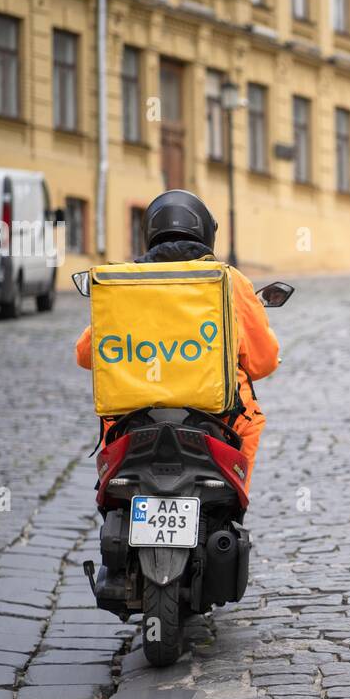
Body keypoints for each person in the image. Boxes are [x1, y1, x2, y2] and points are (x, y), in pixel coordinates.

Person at [74, 190, 280, 484]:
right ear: (207, 234)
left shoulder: (124, 281)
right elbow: (262, 362)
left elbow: (85, 355)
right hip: (216, 418)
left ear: (149, 232)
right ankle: (233, 506)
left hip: (135, 415)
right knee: (249, 418)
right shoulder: (230, 280)